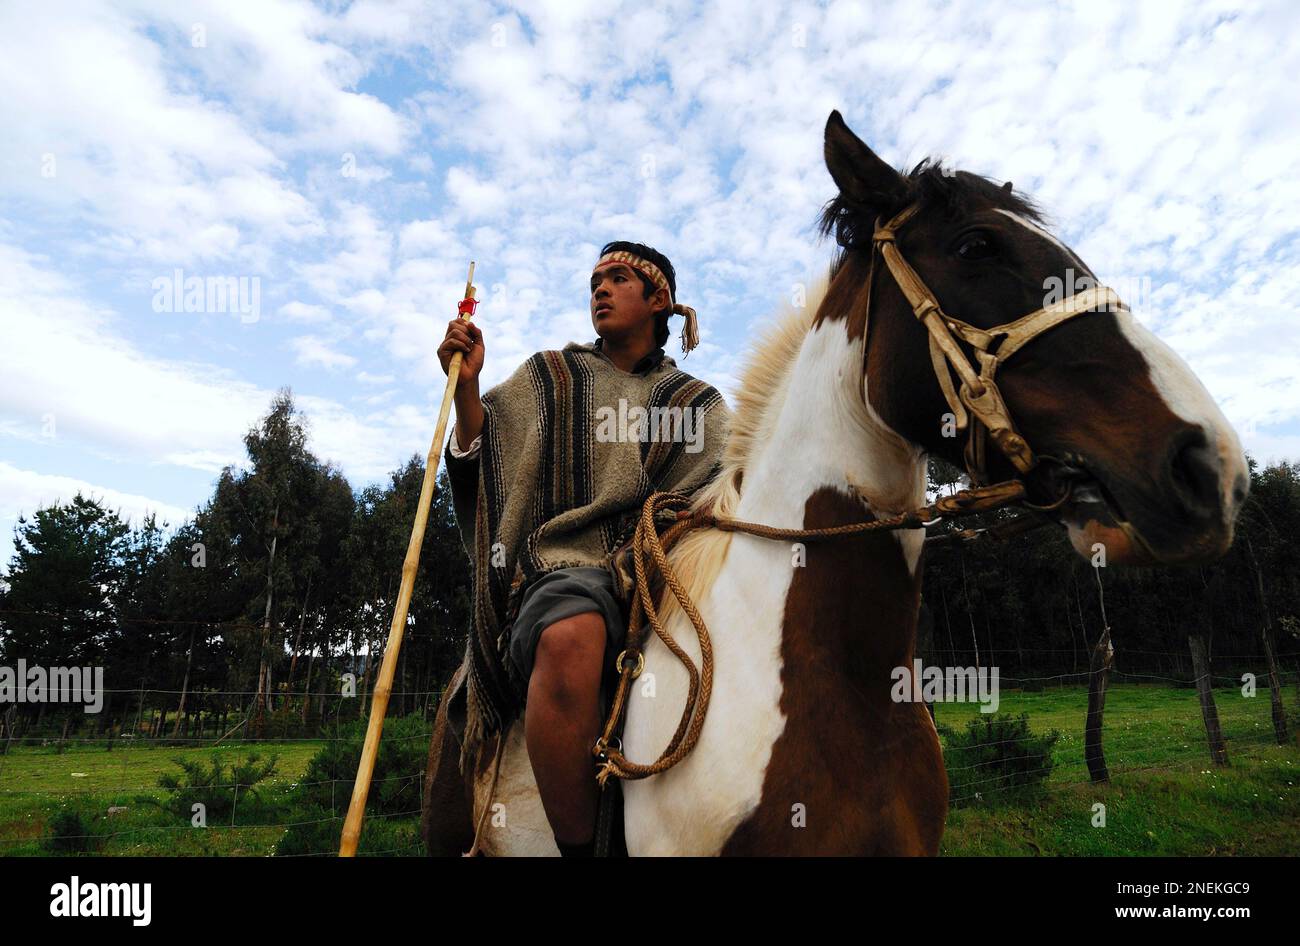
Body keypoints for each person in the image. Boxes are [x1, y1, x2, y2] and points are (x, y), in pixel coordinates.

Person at [437, 241, 730, 856]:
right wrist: (467, 388)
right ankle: (584, 851)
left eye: (617, 279)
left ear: (659, 301)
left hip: (669, 569)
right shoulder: (550, 377)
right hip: (564, 567)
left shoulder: (695, 404)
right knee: (571, 632)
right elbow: (483, 456)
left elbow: (721, 495)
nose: (599, 290)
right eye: (595, 281)